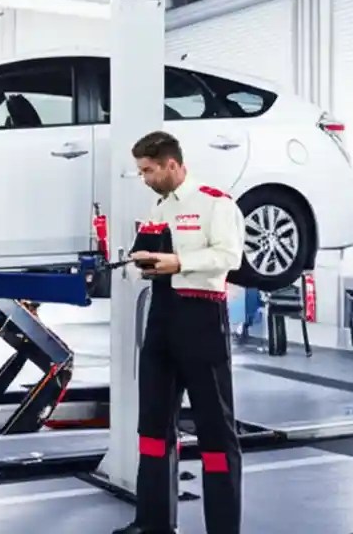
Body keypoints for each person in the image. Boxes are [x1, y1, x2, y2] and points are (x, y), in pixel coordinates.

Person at [114, 130, 246, 534]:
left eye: (148, 170)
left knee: (214, 431)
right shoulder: (158, 207)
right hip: (162, 317)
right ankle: (153, 523)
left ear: (171, 163)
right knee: (152, 426)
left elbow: (230, 255)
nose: (145, 178)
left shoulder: (214, 203)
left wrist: (177, 262)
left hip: (201, 317)